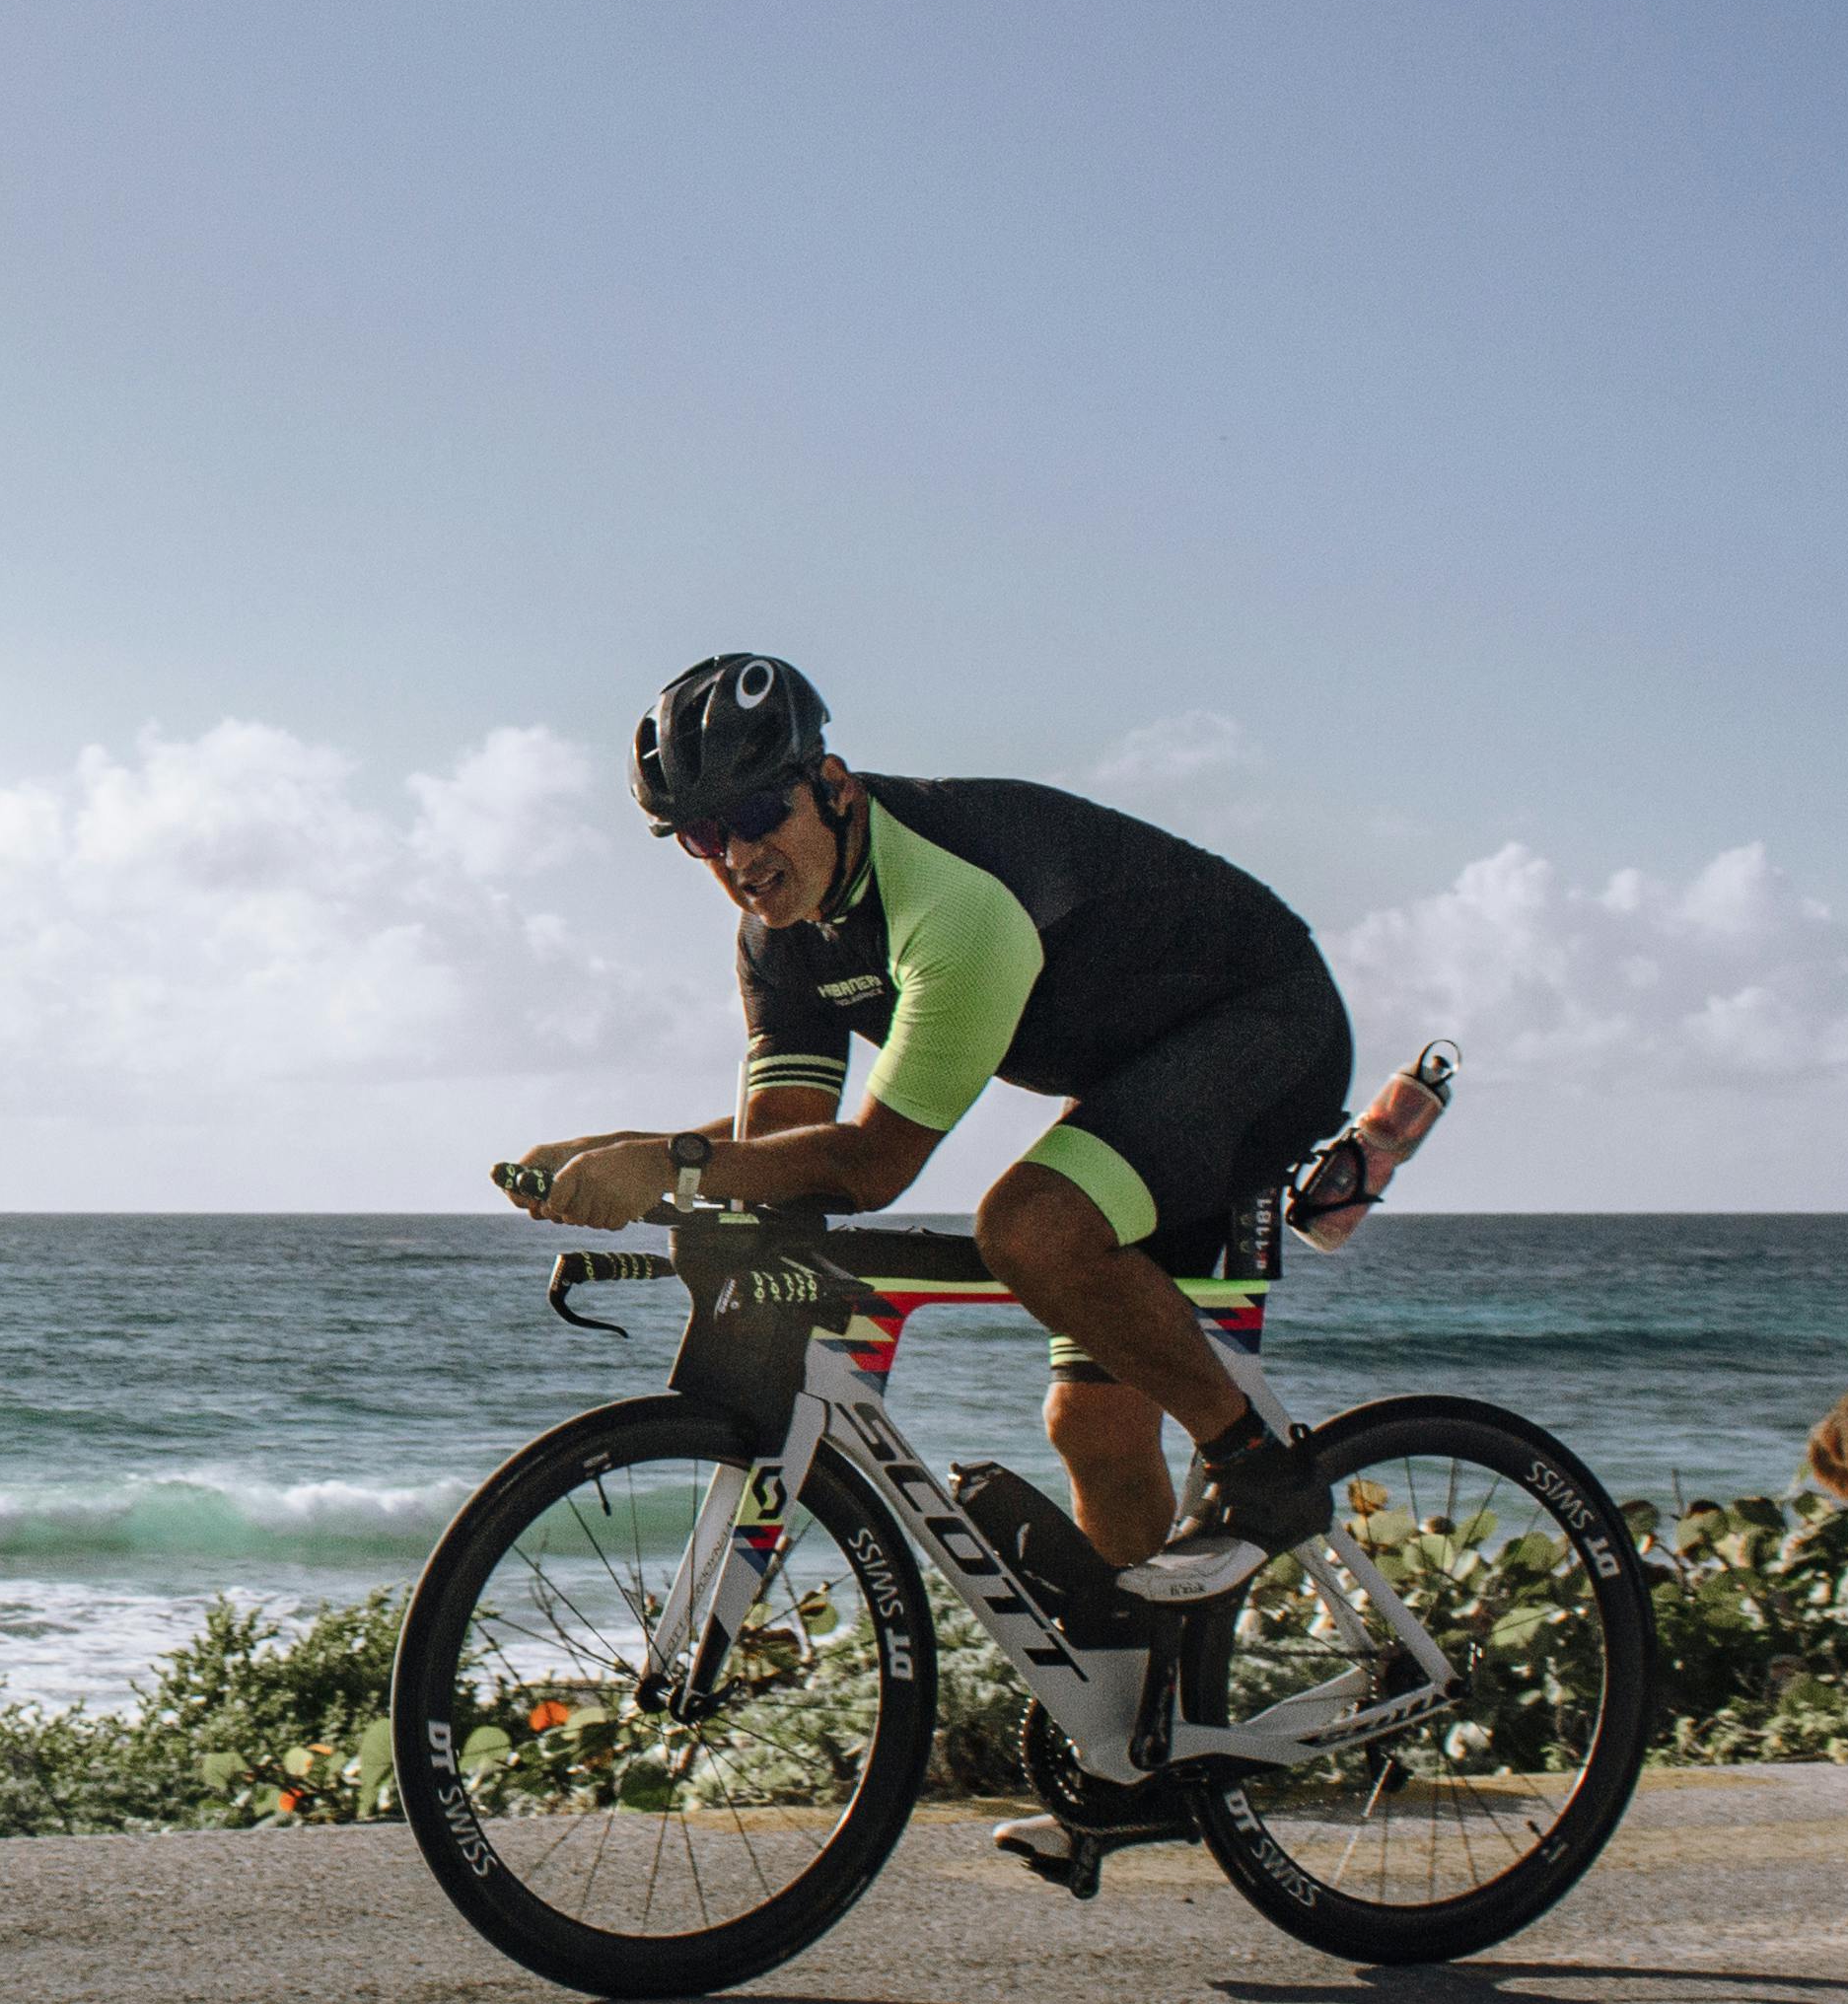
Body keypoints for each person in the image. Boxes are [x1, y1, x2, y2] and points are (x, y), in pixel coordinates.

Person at [507, 652, 1351, 1599]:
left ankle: (1263, 1472)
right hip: (1134, 1080)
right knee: (1094, 1427)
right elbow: (779, 1147)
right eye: (703, 834)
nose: (738, 857)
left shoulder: (951, 899)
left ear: (834, 787)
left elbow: (870, 1168)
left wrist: (658, 1163)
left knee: (1030, 1228)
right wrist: (611, 1156)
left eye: (757, 813)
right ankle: (1151, 1683)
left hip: (1269, 1029)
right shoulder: (778, 941)